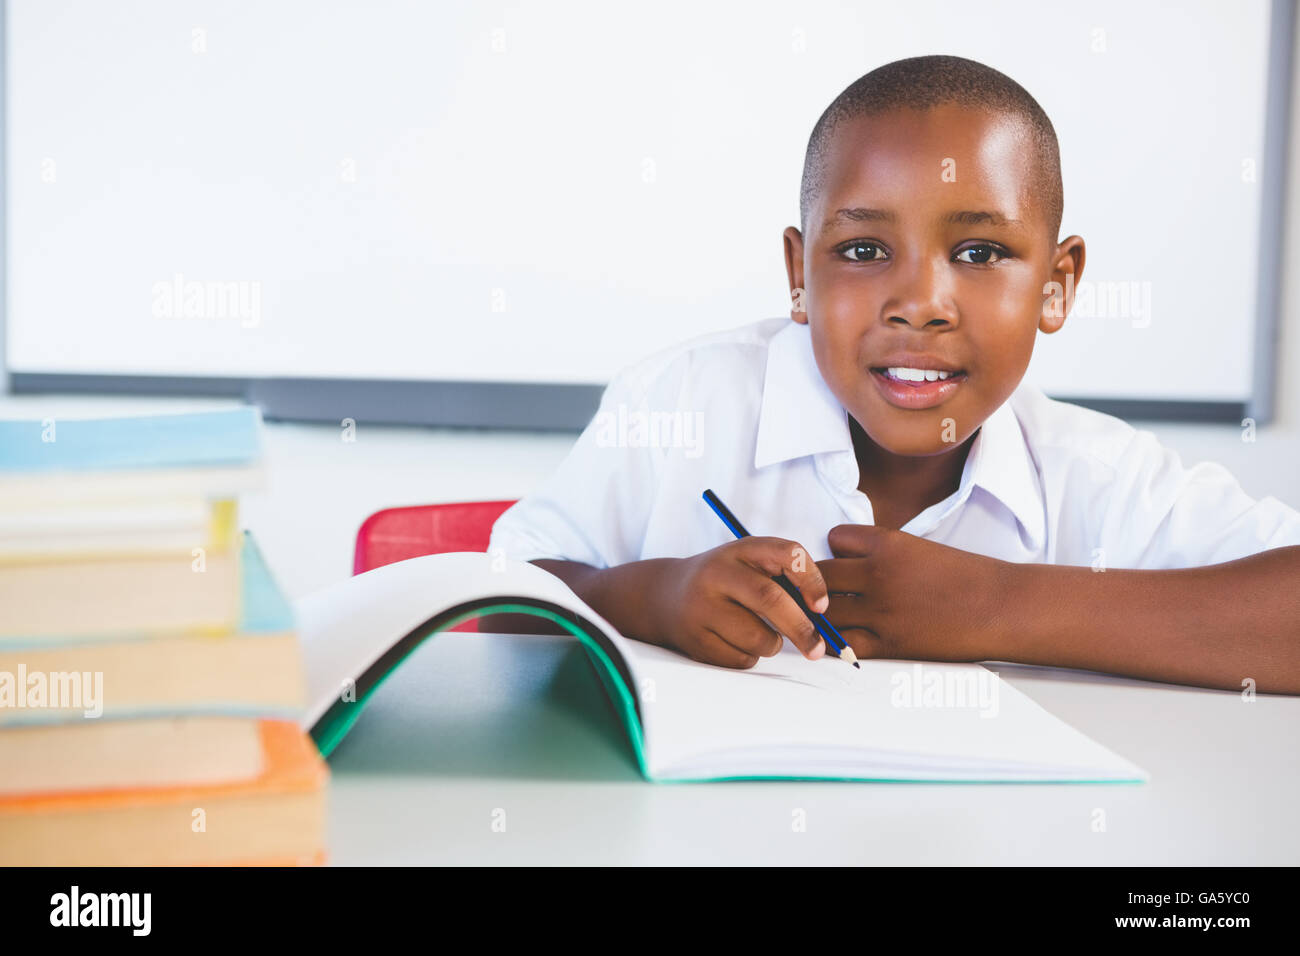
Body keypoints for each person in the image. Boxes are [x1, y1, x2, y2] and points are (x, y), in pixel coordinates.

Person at [488, 55, 1300, 693]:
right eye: (864, 251)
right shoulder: (683, 404)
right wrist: (648, 600)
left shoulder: (1100, 476)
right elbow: (497, 601)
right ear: (799, 274)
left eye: (980, 253)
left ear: (1057, 285)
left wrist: (996, 608)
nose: (919, 304)